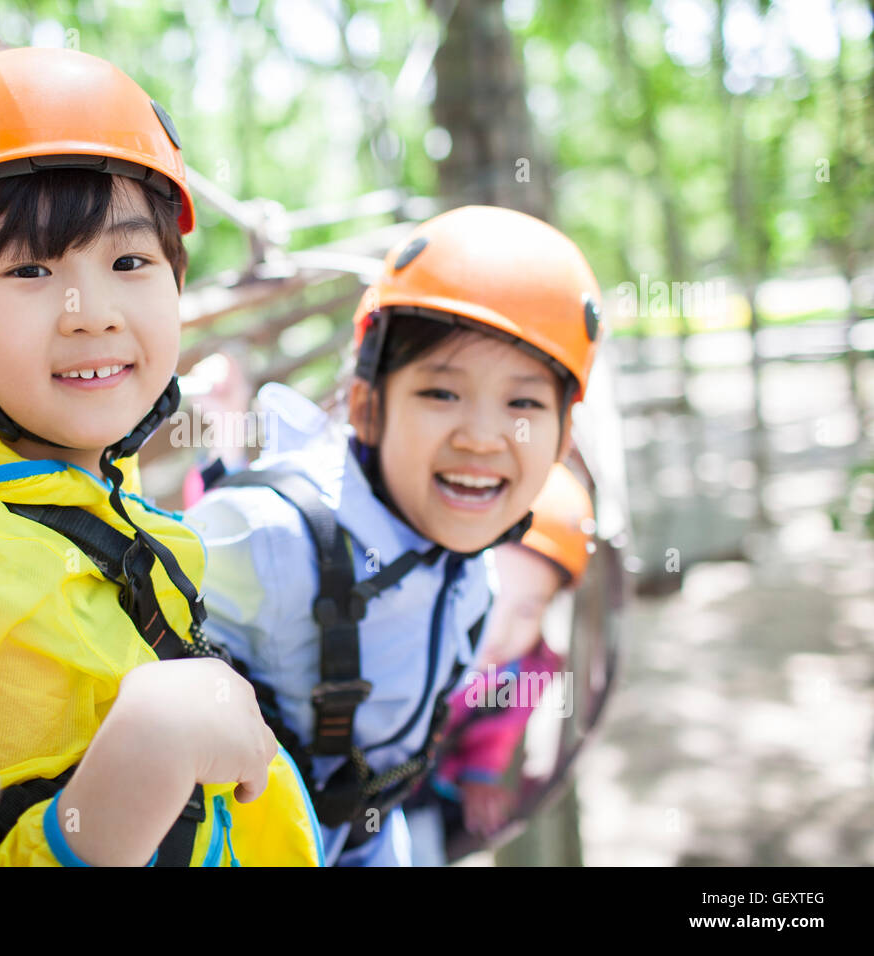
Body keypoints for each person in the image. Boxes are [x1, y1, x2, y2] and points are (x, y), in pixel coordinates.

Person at [0, 47, 323, 867]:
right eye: (31, 268)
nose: (91, 314)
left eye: (128, 262)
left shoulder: (60, 479)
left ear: (176, 283)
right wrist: (151, 748)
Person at [185, 205, 604, 865]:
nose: (482, 437)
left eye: (523, 403)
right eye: (442, 393)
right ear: (366, 406)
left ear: (561, 441)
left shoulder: (474, 574)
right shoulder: (273, 535)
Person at [414, 461, 596, 861]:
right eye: (490, 597)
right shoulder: (410, 634)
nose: (500, 631)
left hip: (414, 795)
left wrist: (479, 773)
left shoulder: (522, 674)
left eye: (528, 611)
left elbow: (496, 729)